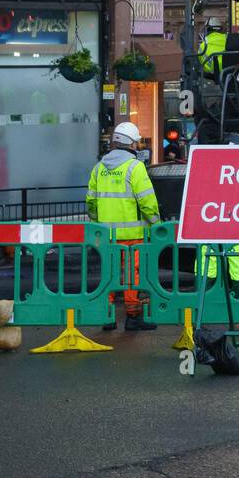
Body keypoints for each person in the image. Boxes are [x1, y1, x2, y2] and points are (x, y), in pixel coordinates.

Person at [87, 122, 161, 331]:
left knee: (108, 274)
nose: (138, 146)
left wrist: (96, 224)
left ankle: (107, 317)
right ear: (130, 144)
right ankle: (133, 317)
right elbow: (147, 201)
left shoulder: (99, 168)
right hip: (133, 234)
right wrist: (158, 225)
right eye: (137, 142)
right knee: (132, 276)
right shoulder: (134, 167)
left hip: (106, 235)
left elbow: (91, 202)